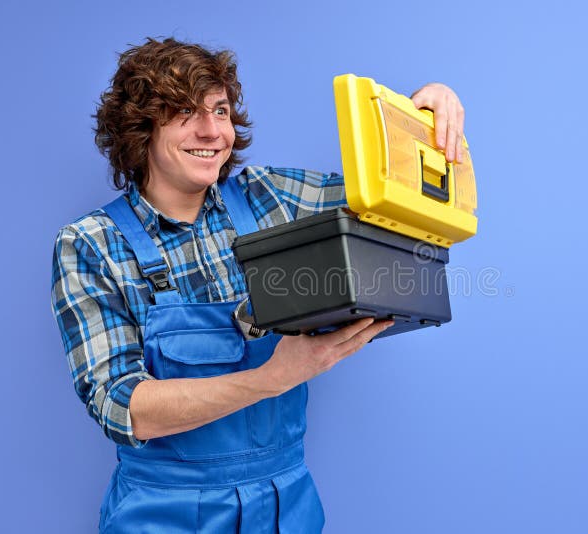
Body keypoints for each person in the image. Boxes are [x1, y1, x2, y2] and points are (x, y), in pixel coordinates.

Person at [51, 37, 466, 533]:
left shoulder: (267, 198)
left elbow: (391, 206)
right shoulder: (93, 245)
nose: (212, 131)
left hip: (286, 505)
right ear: (141, 129)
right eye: (185, 112)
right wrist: (273, 377)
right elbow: (124, 406)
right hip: (165, 513)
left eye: (220, 110)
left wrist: (424, 110)